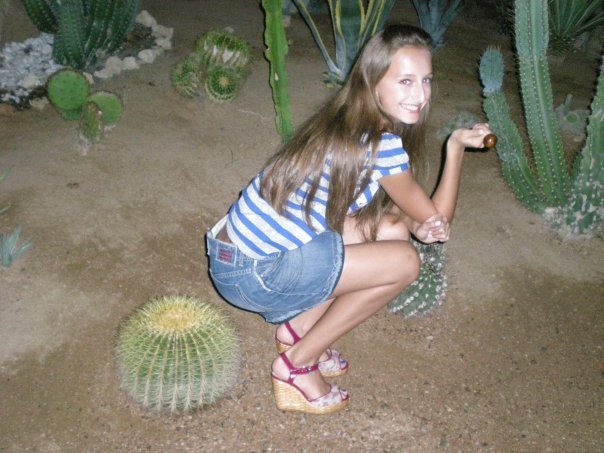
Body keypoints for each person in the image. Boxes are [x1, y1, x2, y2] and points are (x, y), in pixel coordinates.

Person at [206, 24, 492, 415]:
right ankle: (297, 364)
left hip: (232, 256)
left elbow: (400, 216)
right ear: (373, 81)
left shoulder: (345, 119)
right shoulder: (381, 146)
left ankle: (298, 329)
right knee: (405, 263)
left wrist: (416, 222)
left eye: (426, 80)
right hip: (256, 275)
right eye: (405, 81)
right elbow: (438, 221)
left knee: (391, 228)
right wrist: (455, 147)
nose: (420, 95)